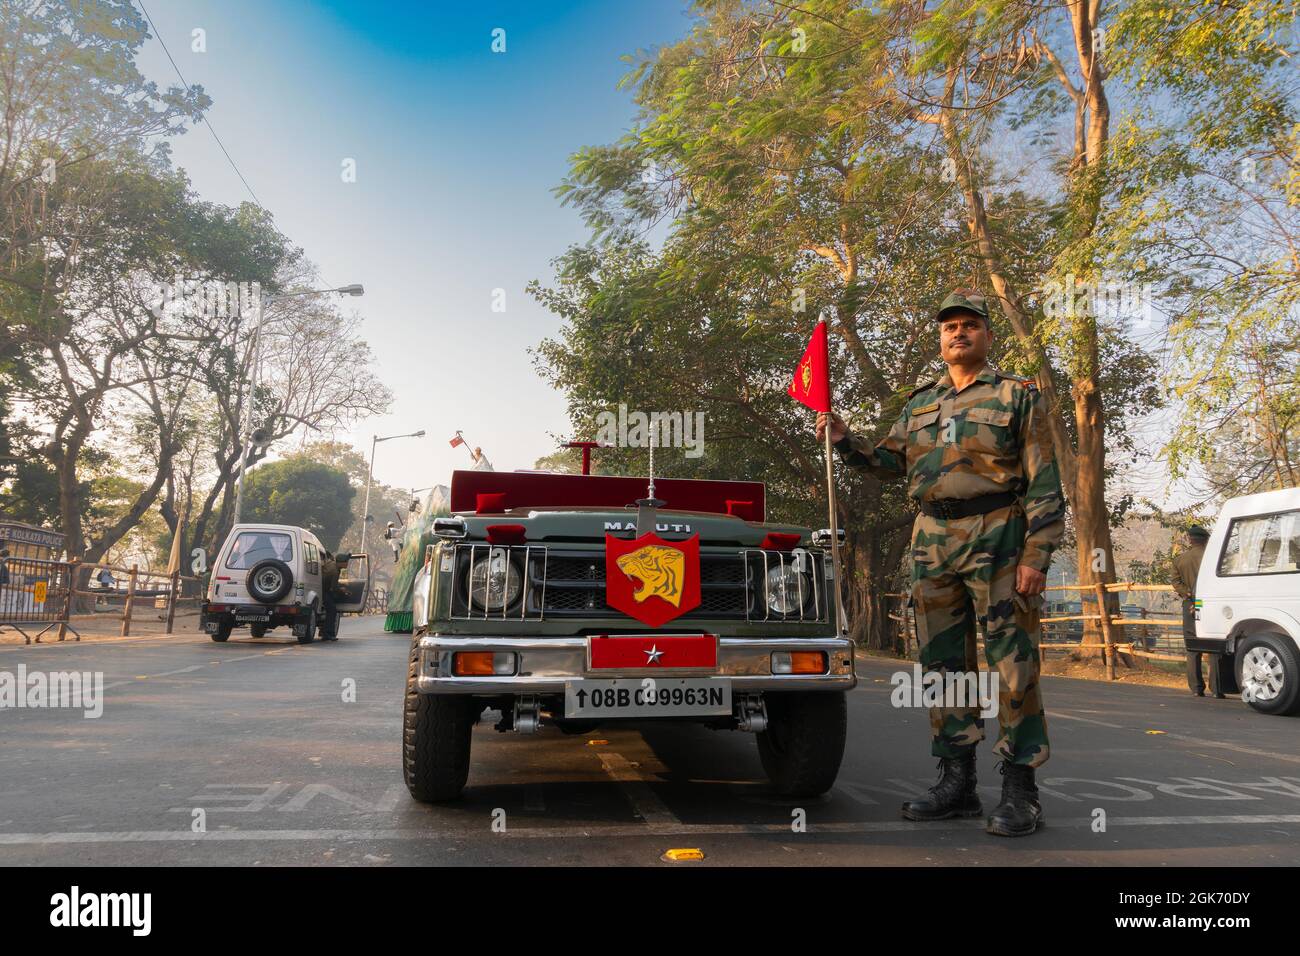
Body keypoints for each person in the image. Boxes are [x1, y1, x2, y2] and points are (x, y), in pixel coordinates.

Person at [816, 288, 1066, 837]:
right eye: (949, 326)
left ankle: (1021, 789)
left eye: (969, 325)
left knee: (1012, 663)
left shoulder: (1016, 395)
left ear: (986, 336)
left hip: (998, 532)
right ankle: (957, 782)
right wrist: (843, 440)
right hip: (930, 538)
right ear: (940, 338)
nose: (958, 332)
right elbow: (887, 461)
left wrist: (1037, 554)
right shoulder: (919, 404)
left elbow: (1045, 480)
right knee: (942, 665)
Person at [1172, 525, 1220, 697]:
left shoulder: (1179, 560)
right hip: (1211, 604)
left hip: (1191, 604)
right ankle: (1217, 688)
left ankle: (1196, 688)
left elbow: (1176, 582)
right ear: (1206, 540)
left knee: (1193, 647)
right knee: (1215, 646)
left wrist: (1188, 594)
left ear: (1190, 540)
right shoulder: (1214, 557)